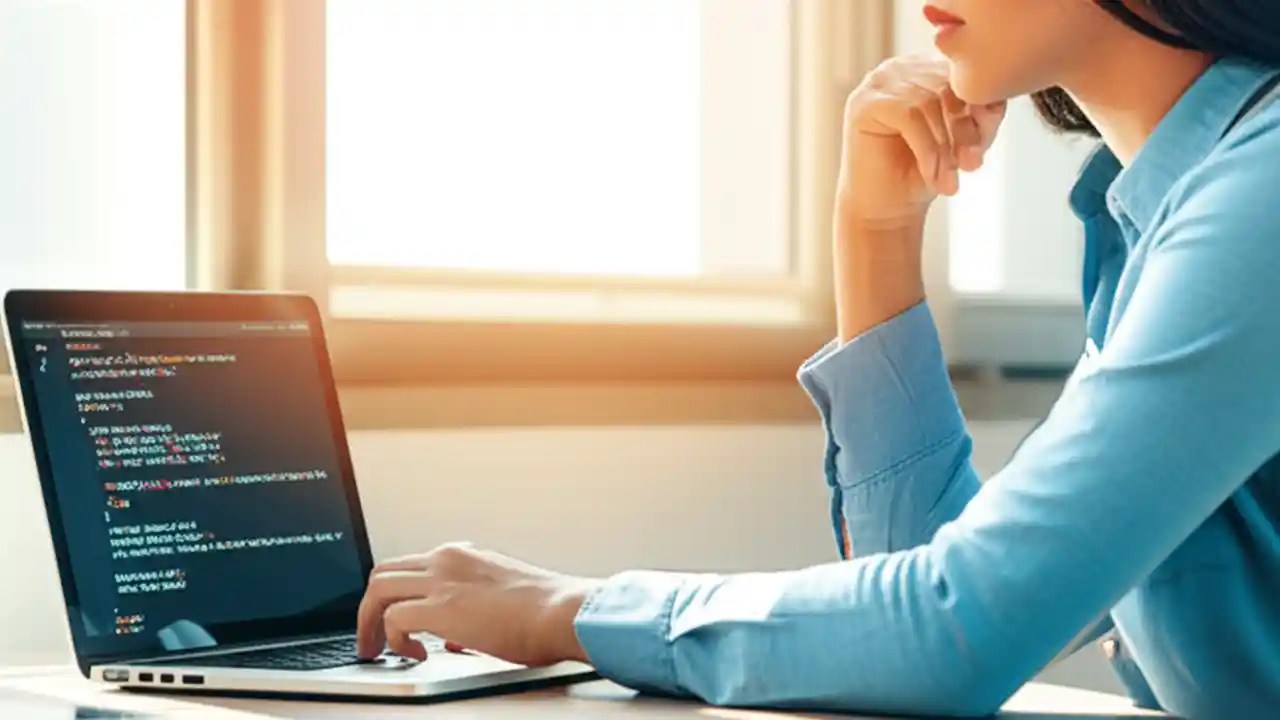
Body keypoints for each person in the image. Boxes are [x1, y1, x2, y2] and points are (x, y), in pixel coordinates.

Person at [353, 2, 1280, 717]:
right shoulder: (1165, 218)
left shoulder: (1261, 195)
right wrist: (874, 231)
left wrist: (571, 612)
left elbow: (963, 629)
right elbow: (918, 596)